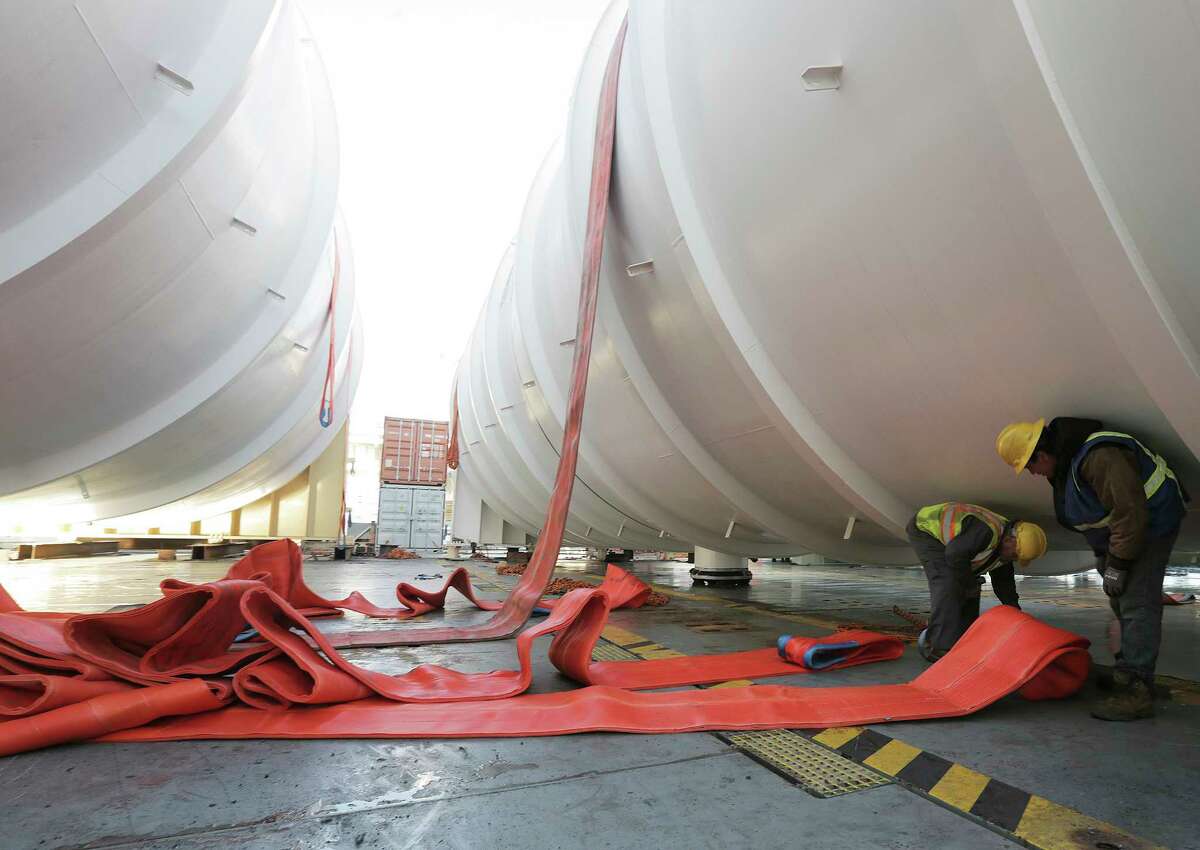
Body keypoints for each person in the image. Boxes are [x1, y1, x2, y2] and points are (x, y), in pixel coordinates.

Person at [996, 417, 1187, 721]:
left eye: (1030, 467)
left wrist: (1120, 564)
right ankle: (1126, 672)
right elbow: (1096, 520)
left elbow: (1130, 513)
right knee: (1120, 598)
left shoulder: (1099, 458)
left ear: (1042, 455)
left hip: (1151, 526)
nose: (1032, 473)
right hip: (1122, 535)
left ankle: (1138, 690)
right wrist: (1106, 561)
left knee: (1138, 603)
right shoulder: (1066, 469)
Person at [907, 502, 1047, 661]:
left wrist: (1016, 614)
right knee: (948, 583)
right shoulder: (986, 532)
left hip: (957, 547)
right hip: (926, 528)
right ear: (1010, 539)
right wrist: (968, 584)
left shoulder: (1004, 547)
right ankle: (937, 647)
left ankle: (964, 639)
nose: (1013, 559)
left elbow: (1004, 585)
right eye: (1015, 555)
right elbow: (954, 555)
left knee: (970, 584)